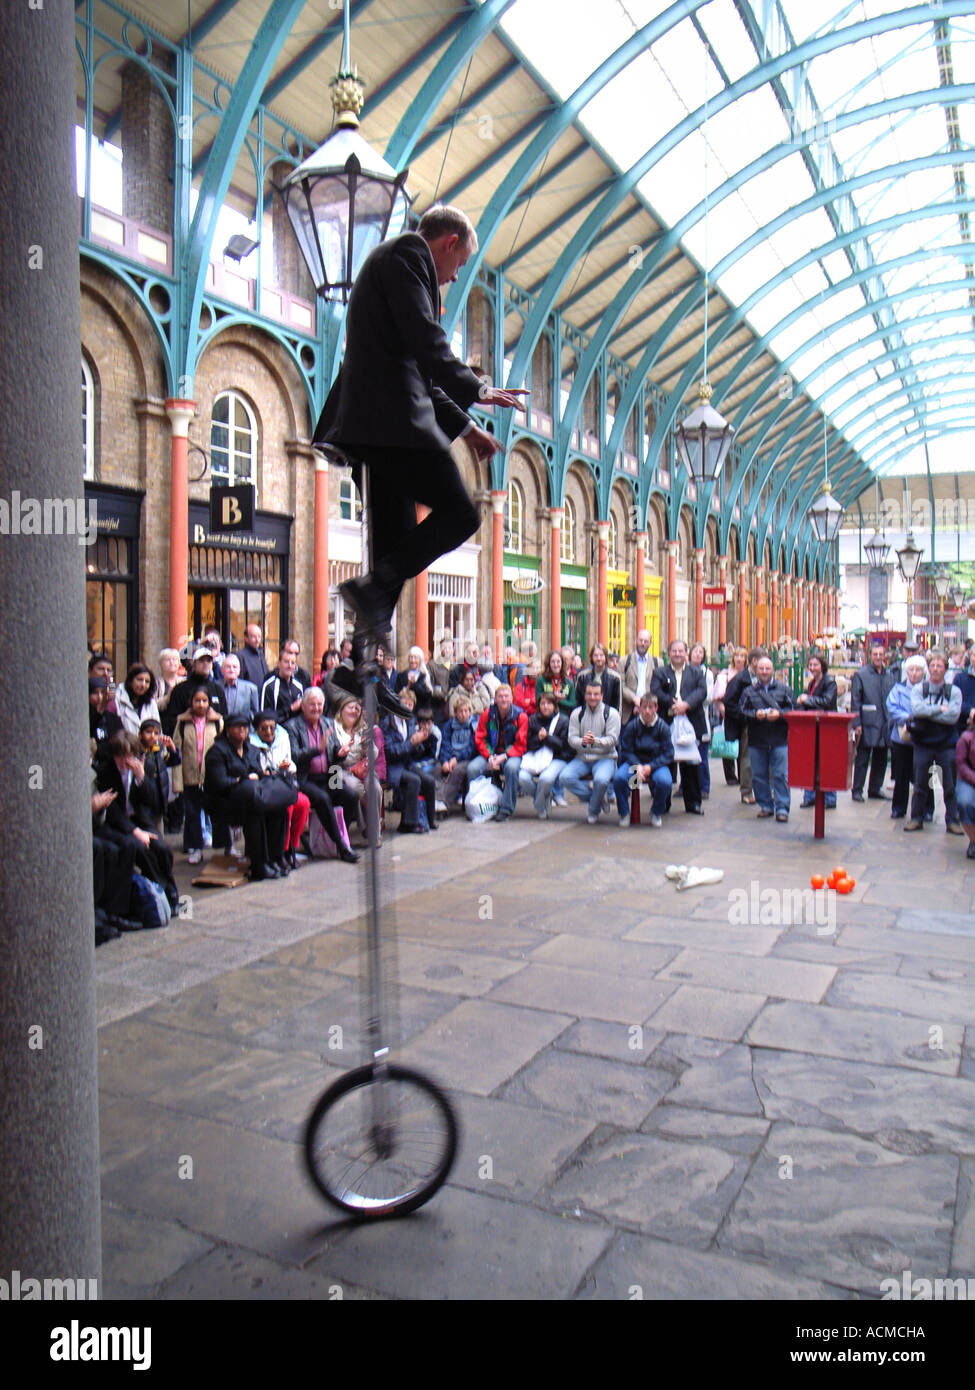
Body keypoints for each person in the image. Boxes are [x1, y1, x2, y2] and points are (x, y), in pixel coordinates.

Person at [314, 203, 528, 647]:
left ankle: (361, 664)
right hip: (393, 425)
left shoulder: (396, 264)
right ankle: (366, 593)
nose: (453, 277)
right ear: (449, 243)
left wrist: (469, 430)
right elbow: (429, 346)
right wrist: (482, 389)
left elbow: (423, 372)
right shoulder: (407, 255)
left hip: (379, 427)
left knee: (397, 549)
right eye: (459, 264)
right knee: (461, 514)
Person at [284, 688, 360, 863]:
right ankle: (341, 847)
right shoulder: (293, 726)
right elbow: (294, 756)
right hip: (305, 778)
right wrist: (317, 749)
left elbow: (333, 752)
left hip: (329, 774)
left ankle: (340, 836)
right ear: (303, 706)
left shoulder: (327, 723)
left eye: (319, 705)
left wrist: (341, 753)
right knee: (323, 799)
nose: (316, 708)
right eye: (312, 704)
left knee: (351, 795)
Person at [903, 649, 963, 835]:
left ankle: (952, 821)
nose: (936, 669)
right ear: (929, 669)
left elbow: (953, 717)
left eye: (940, 666)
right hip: (923, 744)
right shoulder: (919, 689)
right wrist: (939, 709)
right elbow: (917, 710)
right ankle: (916, 818)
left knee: (950, 785)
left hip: (946, 745)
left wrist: (929, 711)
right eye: (933, 666)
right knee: (920, 783)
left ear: (945, 669)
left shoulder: (954, 691)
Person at [651, 640, 707, 815]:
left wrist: (687, 704)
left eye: (681, 651)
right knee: (666, 764)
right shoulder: (660, 672)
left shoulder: (697, 672)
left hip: (691, 721)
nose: (677, 654)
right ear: (669, 653)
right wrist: (674, 704)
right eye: (674, 651)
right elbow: (656, 691)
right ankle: (664, 803)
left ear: (686, 653)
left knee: (691, 765)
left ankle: (693, 803)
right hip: (667, 721)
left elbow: (702, 691)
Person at [740, 655, 796, 822]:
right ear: (756, 670)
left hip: (779, 739)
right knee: (758, 775)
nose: (764, 672)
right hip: (757, 739)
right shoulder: (748, 691)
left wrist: (779, 715)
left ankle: (782, 808)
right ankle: (765, 805)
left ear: (773, 670)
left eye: (767, 668)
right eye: (761, 669)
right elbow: (741, 711)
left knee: (781, 775)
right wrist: (754, 715)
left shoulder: (784, 690)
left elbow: (794, 709)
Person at [173, 686, 224, 864]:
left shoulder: (217, 722)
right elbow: (177, 752)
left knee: (217, 812)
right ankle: (195, 847)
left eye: (204, 700)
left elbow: (223, 748)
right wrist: (178, 782)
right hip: (190, 774)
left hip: (211, 776)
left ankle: (223, 846)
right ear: (191, 702)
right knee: (193, 814)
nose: (201, 704)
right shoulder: (183, 722)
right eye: (197, 700)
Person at [249, 709, 300, 875]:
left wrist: (287, 766)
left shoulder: (282, 737)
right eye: (264, 728)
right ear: (257, 730)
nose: (269, 732)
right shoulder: (251, 745)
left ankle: (284, 853)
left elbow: (291, 763)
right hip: (264, 788)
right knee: (281, 809)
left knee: (301, 804)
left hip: (284, 783)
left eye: (272, 727)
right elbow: (256, 769)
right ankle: (274, 856)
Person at [562, 680, 621, 823]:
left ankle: (593, 811)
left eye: (596, 694)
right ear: (585, 695)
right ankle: (598, 799)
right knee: (565, 777)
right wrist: (582, 741)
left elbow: (613, 740)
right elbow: (571, 739)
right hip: (582, 758)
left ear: (602, 695)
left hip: (605, 757)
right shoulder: (577, 713)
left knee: (601, 780)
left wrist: (595, 741)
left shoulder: (611, 713)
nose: (592, 697)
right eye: (589, 694)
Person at [468, 684, 528, 824]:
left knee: (511, 769)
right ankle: (474, 806)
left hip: (511, 754)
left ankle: (506, 809)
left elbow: (521, 743)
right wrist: (489, 756)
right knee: (473, 768)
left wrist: (504, 756)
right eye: (500, 697)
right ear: (495, 699)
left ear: (512, 698)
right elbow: (480, 738)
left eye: (506, 696)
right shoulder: (487, 714)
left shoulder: (520, 716)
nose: (503, 699)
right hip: (491, 754)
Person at [613, 692, 673, 829]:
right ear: (639, 708)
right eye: (644, 707)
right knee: (619, 778)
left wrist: (651, 767)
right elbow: (626, 750)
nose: (647, 711)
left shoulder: (663, 727)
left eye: (651, 707)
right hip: (634, 764)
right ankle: (624, 812)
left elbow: (669, 753)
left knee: (665, 782)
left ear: (656, 708)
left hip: (656, 765)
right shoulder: (632, 726)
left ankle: (656, 812)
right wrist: (637, 765)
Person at [850, 641, 895, 801]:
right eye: (875, 654)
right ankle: (857, 790)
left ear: (885, 656)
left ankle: (875, 789)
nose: (878, 657)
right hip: (867, 723)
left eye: (880, 654)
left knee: (881, 758)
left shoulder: (889, 675)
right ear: (870, 656)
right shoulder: (861, 675)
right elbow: (855, 700)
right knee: (862, 758)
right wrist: (857, 724)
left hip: (884, 723)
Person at [886, 653, 929, 820]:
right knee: (902, 775)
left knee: (924, 775)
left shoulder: (928, 689)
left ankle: (926, 809)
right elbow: (892, 707)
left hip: (924, 738)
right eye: (911, 669)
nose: (914, 673)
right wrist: (909, 718)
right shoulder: (898, 689)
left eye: (918, 670)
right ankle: (898, 808)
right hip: (902, 738)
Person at [517, 689, 570, 819]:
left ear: (554, 706)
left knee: (545, 779)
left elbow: (563, 746)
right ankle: (544, 798)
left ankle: (539, 805)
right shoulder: (533, 720)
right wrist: (539, 739)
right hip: (536, 757)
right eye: (543, 703)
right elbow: (528, 744)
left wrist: (547, 738)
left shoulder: (563, 720)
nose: (545, 706)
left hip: (557, 758)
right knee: (522, 778)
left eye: (549, 704)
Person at [797, 651, 839, 810]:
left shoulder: (830, 682)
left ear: (822, 666)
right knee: (810, 761)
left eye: (815, 665)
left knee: (827, 762)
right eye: (810, 665)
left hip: (827, 727)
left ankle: (829, 797)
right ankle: (810, 796)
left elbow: (827, 701)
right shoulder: (812, 683)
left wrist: (807, 699)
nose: (812, 668)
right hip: (812, 726)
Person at [162, 647, 227, 735]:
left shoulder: (218, 690)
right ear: (194, 664)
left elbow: (225, 717)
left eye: (209, 661)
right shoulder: (180, 690)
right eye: (201, 660)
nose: (206, 664)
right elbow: (171, 720)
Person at [437, 693, 478, 812]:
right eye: (461, 711)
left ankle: (445, 802)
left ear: (470, 712)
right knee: (437, 769)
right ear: (455, 713)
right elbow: (445, 744)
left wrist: (456, 759)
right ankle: (437, 799)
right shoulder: (449, 725)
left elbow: (472, 747)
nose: (464, 714)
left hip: (466, 758)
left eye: (466, 711)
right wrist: (445, 761)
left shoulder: (473, 725)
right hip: (450, 757)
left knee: (458, 770)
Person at [712, 647, 745, 787]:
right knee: (728, 743)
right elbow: (716, 697)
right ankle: (730, 775)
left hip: (742, 713)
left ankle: (744, 775)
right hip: (727, 712)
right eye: (736, 656)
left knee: (743, 745)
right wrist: (721, 707)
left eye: (742, 656)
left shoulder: (748, 675)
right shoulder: (724, 675)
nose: (739, 659)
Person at [688, 642, 713, 797]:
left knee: (701, 755)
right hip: (686, 717)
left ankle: (704, 786)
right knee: (685, 754)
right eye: (695, 651)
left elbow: (708, 696)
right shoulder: (685, 670)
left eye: (700, 652)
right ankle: (687, 786)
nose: (697, 655)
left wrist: (691, 700)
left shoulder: (707, 673)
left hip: (700, 715)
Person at [621, 629, 657, 724]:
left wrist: (644, 703)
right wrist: (635, 699)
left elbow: (658, 687)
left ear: (650, 643)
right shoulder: (624, 661)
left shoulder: (657, 663)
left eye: (646, 641)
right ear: (635, 641)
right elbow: (621, 685)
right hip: (628, 711)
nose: (643, 644)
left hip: (650, 711)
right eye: (640, 640)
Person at [575, 642, 621, 713]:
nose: (599, 658)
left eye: (601, 655)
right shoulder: (582, 676)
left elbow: (617, 704)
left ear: (606, 657)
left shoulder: (615, 678)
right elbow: (578, 701)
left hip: (607, 717)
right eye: (595, 656)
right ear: (592, 657)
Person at [261, 647, 304, 723]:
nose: (289, 665)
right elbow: (265, 716)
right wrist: (290, 708)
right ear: (279, 663)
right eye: (286, 662)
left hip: (297, 731)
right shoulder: (270, 686)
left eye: (293, 663)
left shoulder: (299, 686)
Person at [219, 653, 261, 724]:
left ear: (239, 670)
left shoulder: (251, 689)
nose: (231, 670)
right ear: (222, 670)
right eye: (228, 667)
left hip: (243, 728)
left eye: (234, 667)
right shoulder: (215, 687)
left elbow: (255, 714)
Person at [954, 721, 975, 858]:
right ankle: (974, 840)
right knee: (965, 803)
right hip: (969, 779)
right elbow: (961, 764)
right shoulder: (966, 738)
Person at [538, 648, 576, 714]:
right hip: (545, 717)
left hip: (563, 719)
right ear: (548, 663)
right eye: (553, 662)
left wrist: (560, 701)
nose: (556, 665)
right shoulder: (541, 680)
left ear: (562, 663)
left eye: (558, 662)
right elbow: (538, 701)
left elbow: (572, 704)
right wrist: (554, 697)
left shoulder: (569, 682)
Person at [238, 623, 270, 691]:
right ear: (246, 638)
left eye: (259, 636)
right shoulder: (240, 656)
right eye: (253, 637)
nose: (257, 640)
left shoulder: (261, 655)